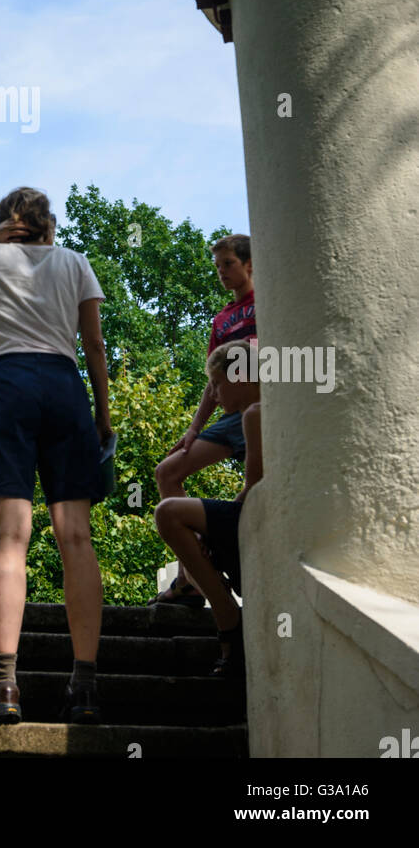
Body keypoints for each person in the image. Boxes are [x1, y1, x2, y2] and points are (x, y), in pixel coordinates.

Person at [0, 186, 114, 725]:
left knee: (9, 537)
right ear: (50, 226)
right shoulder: (75, 263)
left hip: (12, 384)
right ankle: (84, 689)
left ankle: (6, 686)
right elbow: (93, 347)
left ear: (8, 224)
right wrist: (102, 414)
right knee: (76, 537)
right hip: (65, 390)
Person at [149, 234, 255, 607]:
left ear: (249, 265)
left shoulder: (272, 300)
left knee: (254, 488)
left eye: (228, 264)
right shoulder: (223, 319)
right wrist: (194, 429)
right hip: (230, 417)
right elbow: (214, 380)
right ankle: (191, 579)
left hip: (265, 411)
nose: (222, 272)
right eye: (218, 267)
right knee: (167, 471)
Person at [154, 337, 262, 676]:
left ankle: (226, 617)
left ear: (242, 378)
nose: (212, 395)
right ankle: (223, 611)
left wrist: (211, 531)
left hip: (261, 521)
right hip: (254, 515)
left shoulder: (256, 416)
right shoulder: (251, 415)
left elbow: (256, 487)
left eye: (217, 384)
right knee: (172, 506)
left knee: (168, 513)